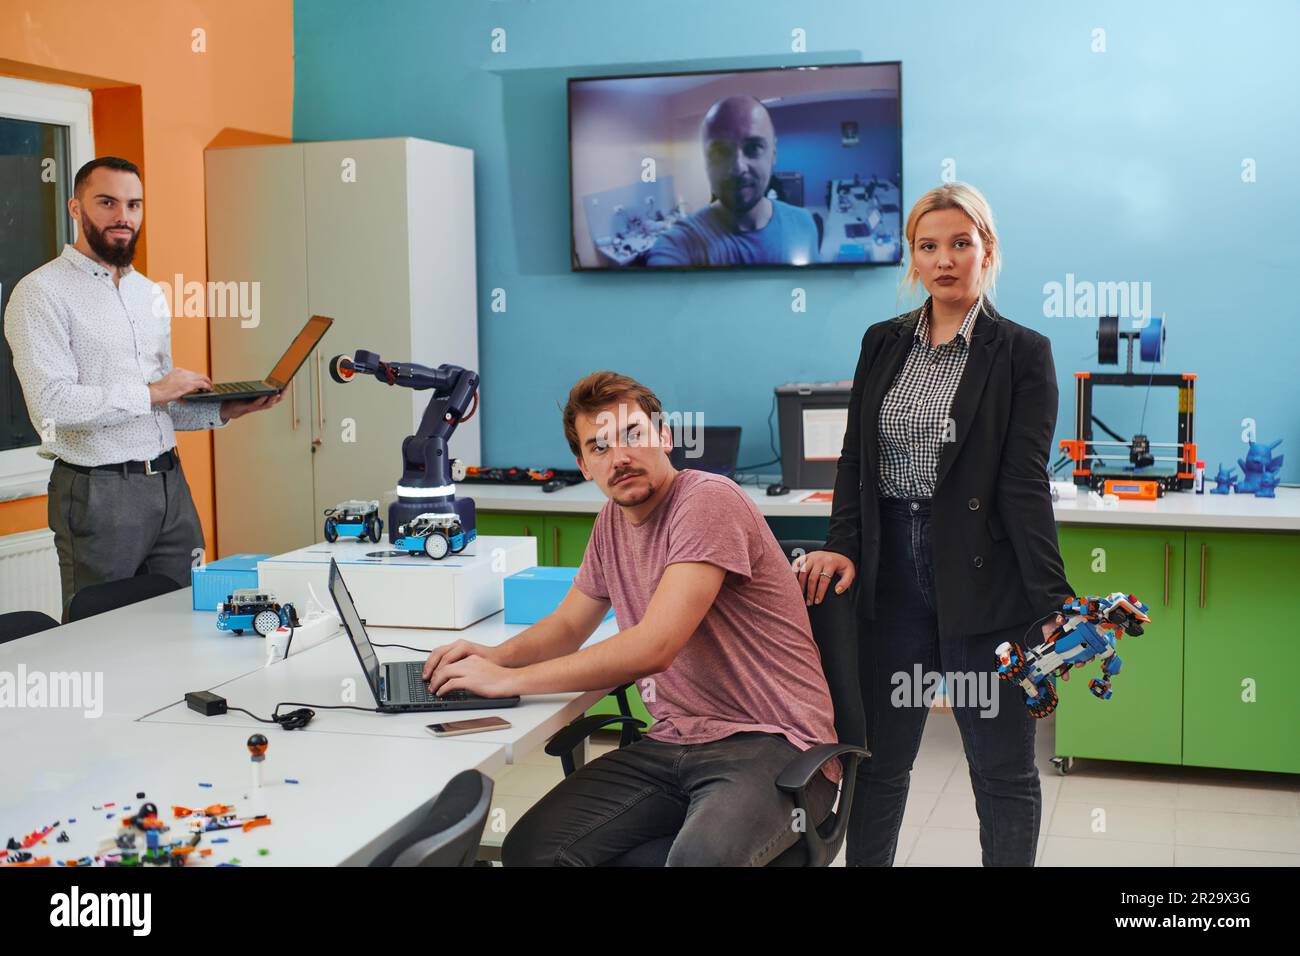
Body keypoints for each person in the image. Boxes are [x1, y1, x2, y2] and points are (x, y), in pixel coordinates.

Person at [422, 371, 840, 866]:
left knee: (697, 861)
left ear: (664, 436)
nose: (618, 457)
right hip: (671, 743)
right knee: (532, 850)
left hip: (774, 744)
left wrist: (507, 679)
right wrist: (492, 658)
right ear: (583, 465)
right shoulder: (610, 524)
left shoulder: (706, 500)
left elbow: (654, 646)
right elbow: (566, 628)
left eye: (631, 435)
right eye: (598, 447)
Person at [795, 182, 1073, 866]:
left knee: (1002, 770)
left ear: (987, 251)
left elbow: (1022, 484)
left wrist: (1053, 600)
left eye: (959, 243)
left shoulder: (1022, 354)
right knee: (881, 763)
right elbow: (857, 462)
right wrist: (843, 547)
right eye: (928, 246)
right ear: (912, 259)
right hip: (891, 580)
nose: (944, 260)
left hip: (984, 583)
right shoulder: (882, 343)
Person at [4, 156, 280, 621]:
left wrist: (227, 410)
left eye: (134, 204)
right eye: (107, 202)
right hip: (99, 494)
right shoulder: (40, 293)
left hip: (171, 486)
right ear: (75, 207)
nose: (123, 217)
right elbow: (51, 404)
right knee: (101, 630)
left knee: (189, 617)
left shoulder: (147, 292)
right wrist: (154, 390)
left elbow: (161, 405)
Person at [645, 95, 819, 267]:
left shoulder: (804, 224)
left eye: (753, 148)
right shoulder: (679, 244)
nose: (738, 168)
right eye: (720, 152)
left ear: (773, 153)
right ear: (706, 161)